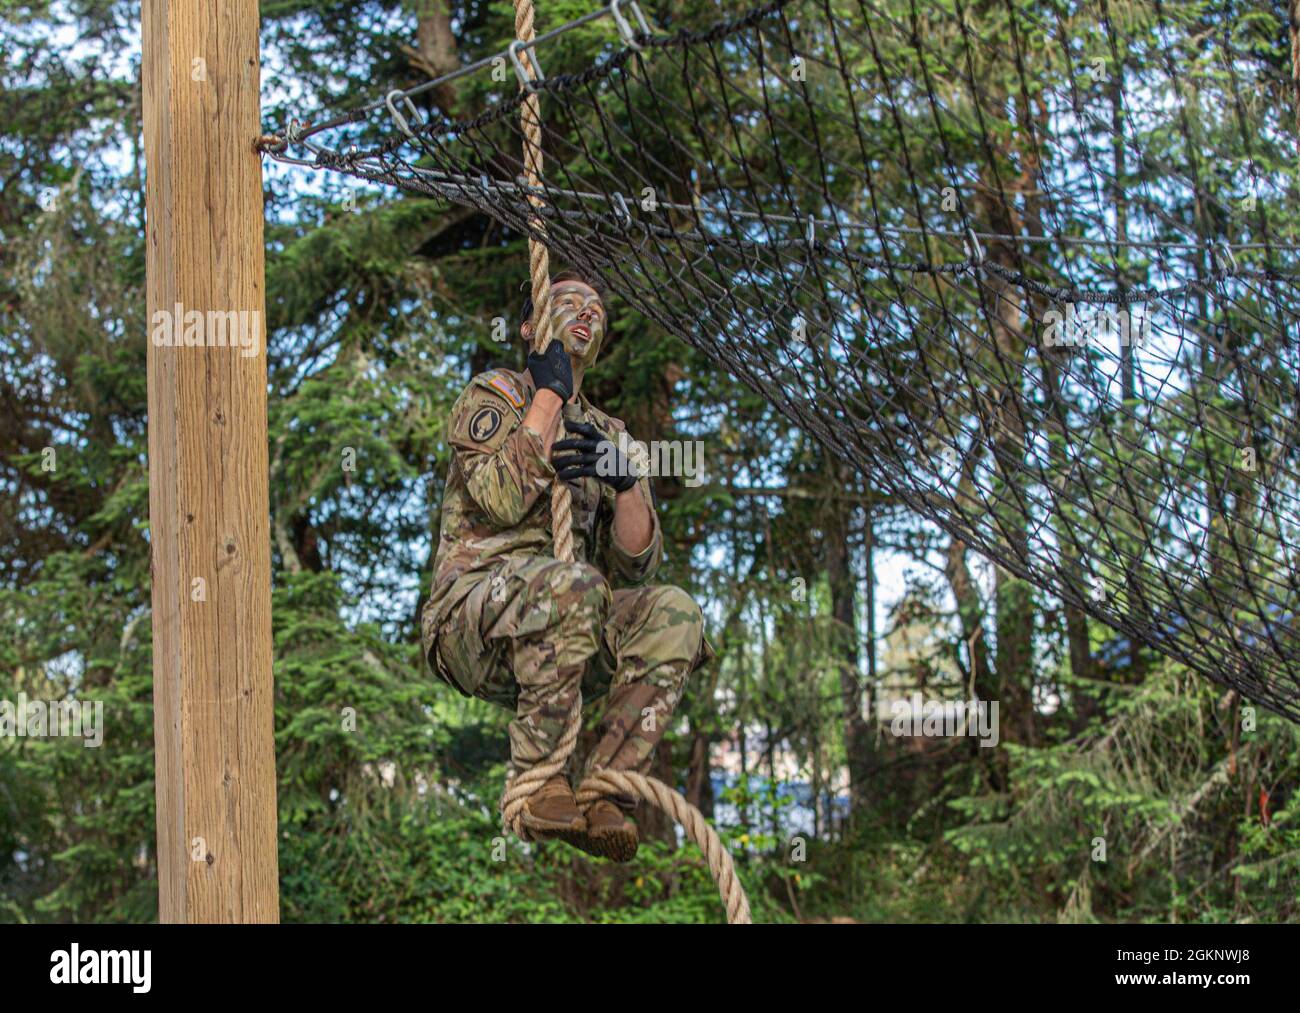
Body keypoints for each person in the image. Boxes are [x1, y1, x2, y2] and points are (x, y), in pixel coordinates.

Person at [420, 269, 712, 861]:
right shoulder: (495, 397)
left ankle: (607, 788)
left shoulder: (609, 435)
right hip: (472, 620)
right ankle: (540, 783)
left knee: (674, 612)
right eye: (569, 303)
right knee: (572, 585)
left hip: (562, 632)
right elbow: (500, 498)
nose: (588, 312)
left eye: (597, 308)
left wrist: (627, 482)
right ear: (531, 327)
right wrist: (547, 395)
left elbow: (634, 569)